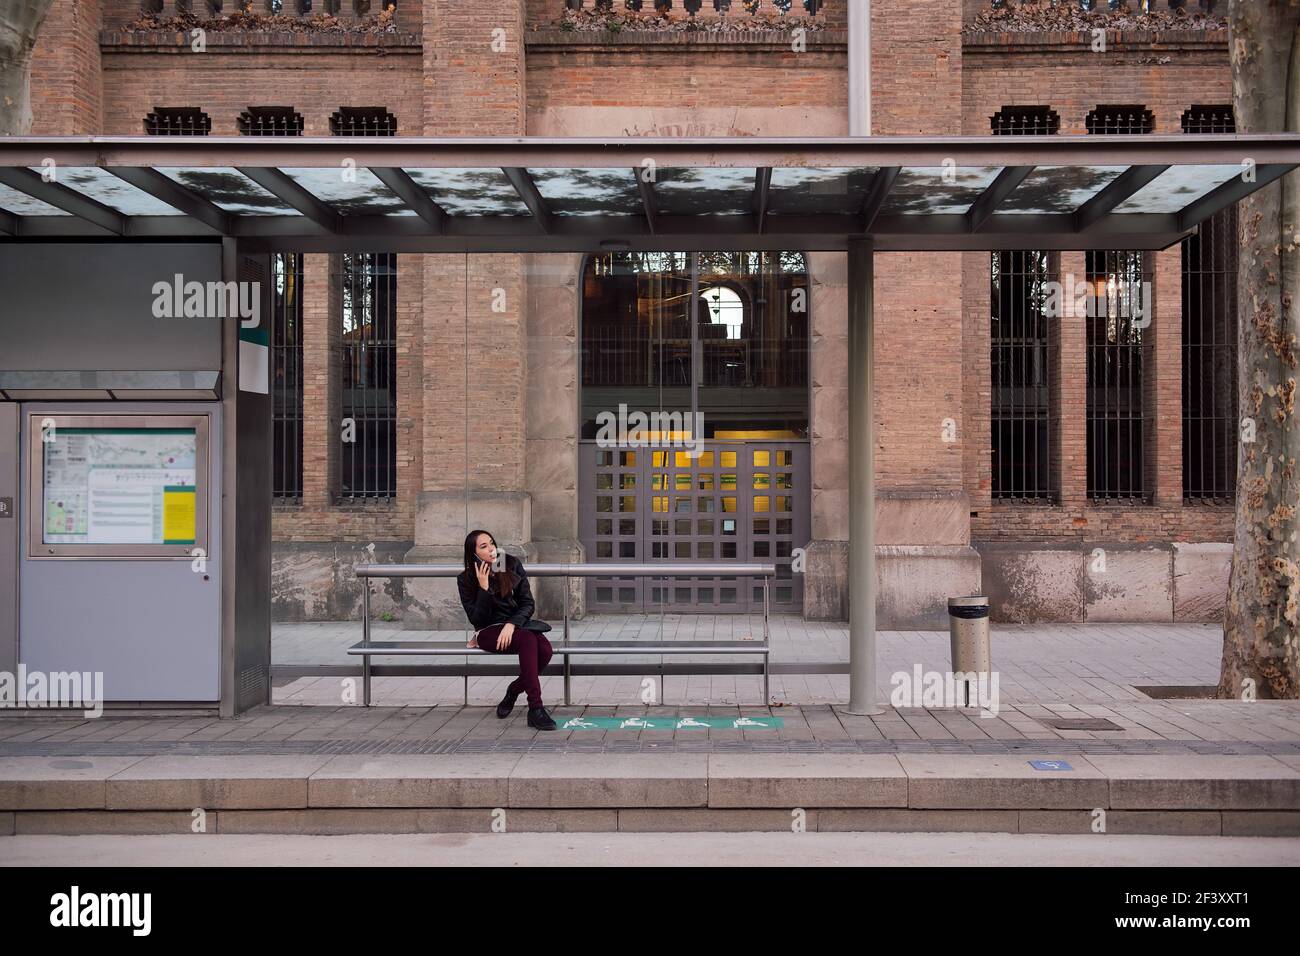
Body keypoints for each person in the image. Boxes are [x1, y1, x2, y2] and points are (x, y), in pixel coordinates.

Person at [456, 529, 557, 731]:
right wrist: (484, 589)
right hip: (488, 631)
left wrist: (512, 624)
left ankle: (513, 690)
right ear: (473, 553)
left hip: (516, 626)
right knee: (529, 640)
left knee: (545, 651)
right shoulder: (466, 578)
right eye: (483, 546)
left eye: (492, 543)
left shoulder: (509, 563)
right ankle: (535, 709)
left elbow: (527, 603)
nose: (491, 549)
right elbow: (477, 619)